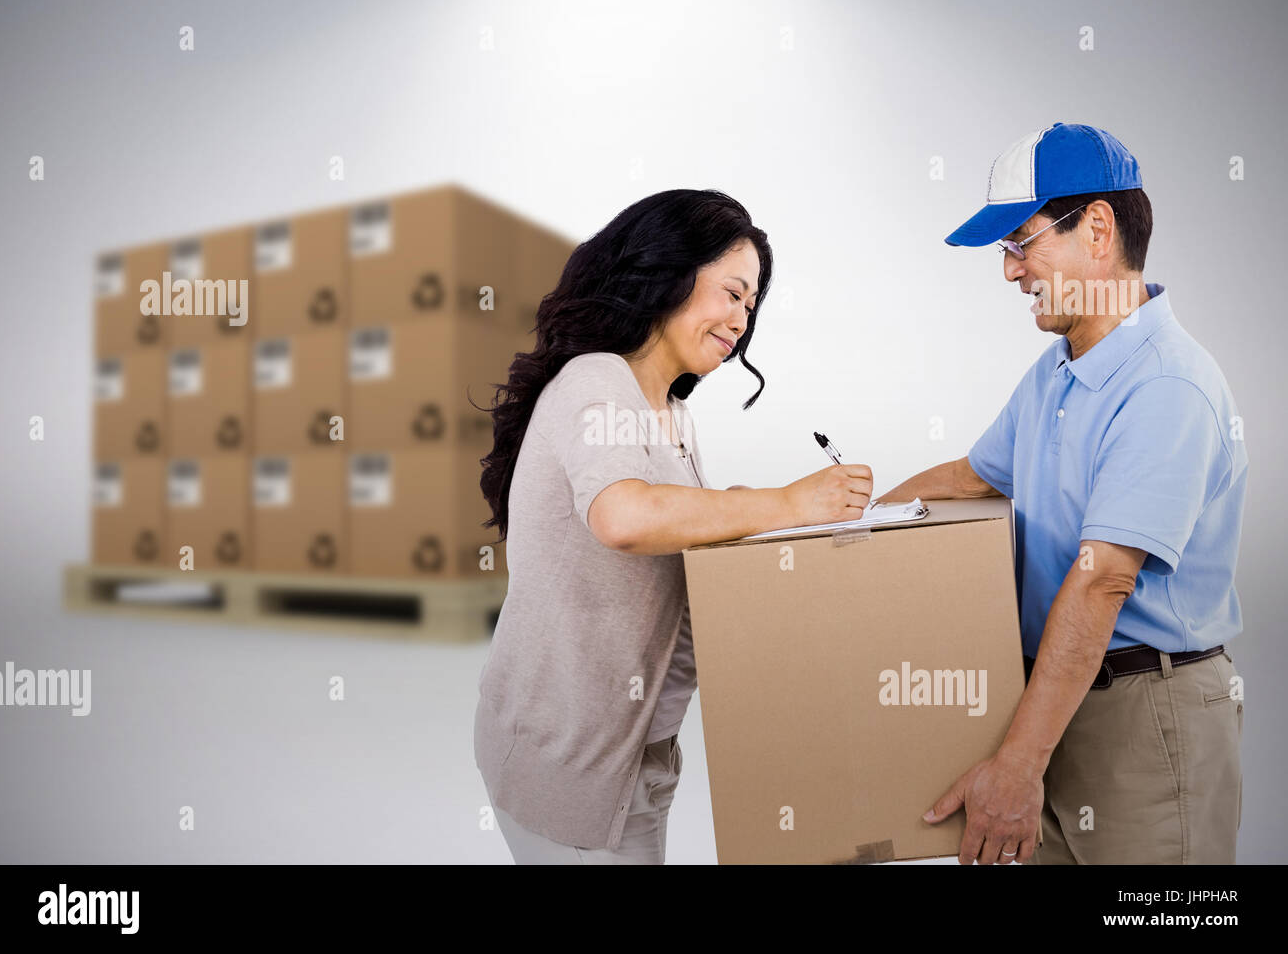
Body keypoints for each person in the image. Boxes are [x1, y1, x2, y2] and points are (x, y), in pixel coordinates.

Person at [880, 123, 1247, 865]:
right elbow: (971, 477)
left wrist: (1017, 762)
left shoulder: (1164, 384)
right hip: (1054, 705)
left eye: (1021, 242)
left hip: (1147, 717)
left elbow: (1104, 577)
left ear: (1099, 229)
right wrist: (848, 528)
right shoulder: (1058, 371)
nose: (1010, 272)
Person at [473, 189, 874, 863]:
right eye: (732, 292)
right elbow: (626, 516)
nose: (742, 319)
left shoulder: (667, 412)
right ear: (668, 272)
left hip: (635, 761)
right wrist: (786, 503)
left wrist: (749, 518)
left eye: (752, 305)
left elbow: (672, 529)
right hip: (566, 764)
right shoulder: (598, 380)